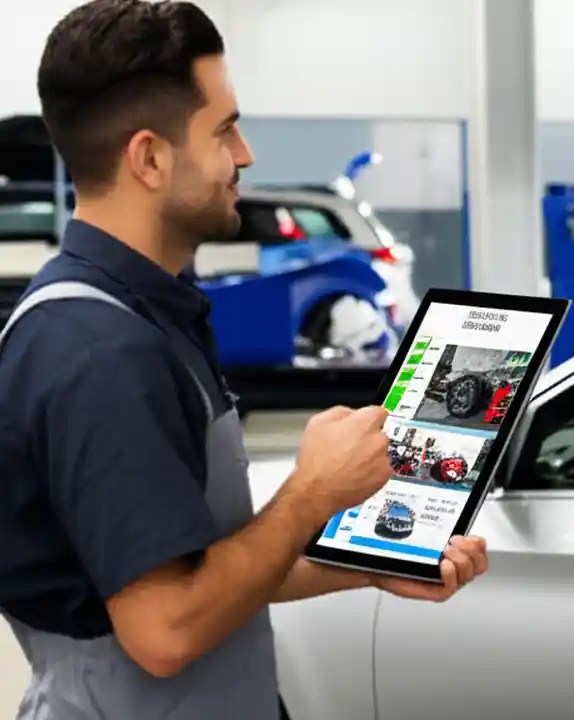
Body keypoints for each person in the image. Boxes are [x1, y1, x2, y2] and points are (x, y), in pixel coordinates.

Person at [0, 2, 488, 718]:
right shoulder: (98, 350)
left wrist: (369, 567)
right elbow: (166, 627)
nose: (246, 154)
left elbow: (209, 570)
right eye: (224, 129)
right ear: (149, 158)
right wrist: (313, 491)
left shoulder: (149, 314)